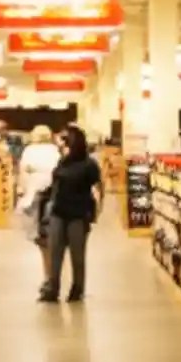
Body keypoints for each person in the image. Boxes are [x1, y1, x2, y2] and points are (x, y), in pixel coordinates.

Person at [41, 125, 103, 303]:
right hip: (59, 212)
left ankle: (77, 289)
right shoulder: (63, 161)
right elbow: (55, 185)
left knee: (77, 255)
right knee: (55, 253)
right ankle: (53, 289)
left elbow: (98, 186)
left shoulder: (89, 164)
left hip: (79, 213)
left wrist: (96, 211)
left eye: (67, 140)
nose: (64, 144)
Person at [17, 125, 60, 284]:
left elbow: (23, 173)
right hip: (52, 196)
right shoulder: (55, 151)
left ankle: (48, 275)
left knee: (41, 237)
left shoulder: (29, 151)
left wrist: (21, 189)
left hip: (34, 196)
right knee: (50, 235)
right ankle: (52, 273)